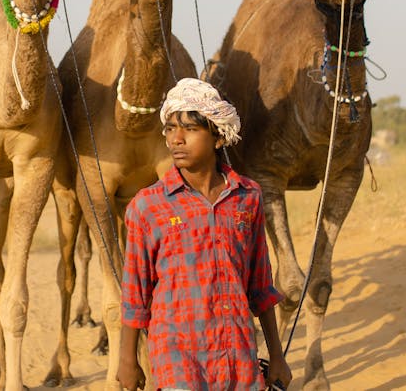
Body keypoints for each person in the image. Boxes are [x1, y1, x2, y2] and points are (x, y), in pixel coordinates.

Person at [117, 78, 292, 391]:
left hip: (238, 355)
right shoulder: (147, 206)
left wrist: (276, 355)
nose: (177, 139)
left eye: (190, 129)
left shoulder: (247, 196)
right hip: (177, 357)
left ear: (218, 137)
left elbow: (260, 286)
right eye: (170, 128)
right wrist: (127, 361)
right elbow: (135, 294)